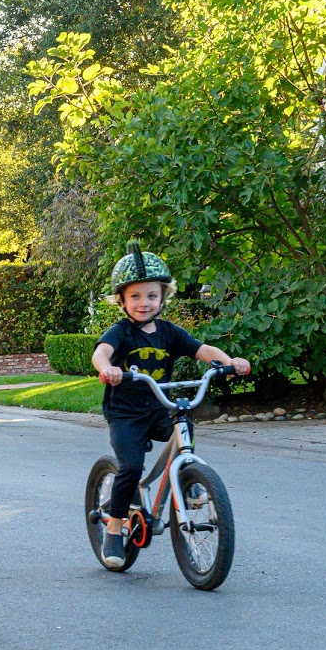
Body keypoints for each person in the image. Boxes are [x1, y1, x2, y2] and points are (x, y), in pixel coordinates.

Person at [91, 243, 250, 567]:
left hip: (156, 407)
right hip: (125, 414)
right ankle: (115, 526)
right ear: (121, 300)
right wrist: (106, 369)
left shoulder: (168, 332)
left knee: (183, 419)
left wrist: (228, 361)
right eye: (135, 296)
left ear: (163, 298)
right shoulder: (121, 332)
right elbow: (101, 352)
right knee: (131, 467)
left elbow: (202, 349)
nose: (144, 303)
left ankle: (188, 479)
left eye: (151, 295)